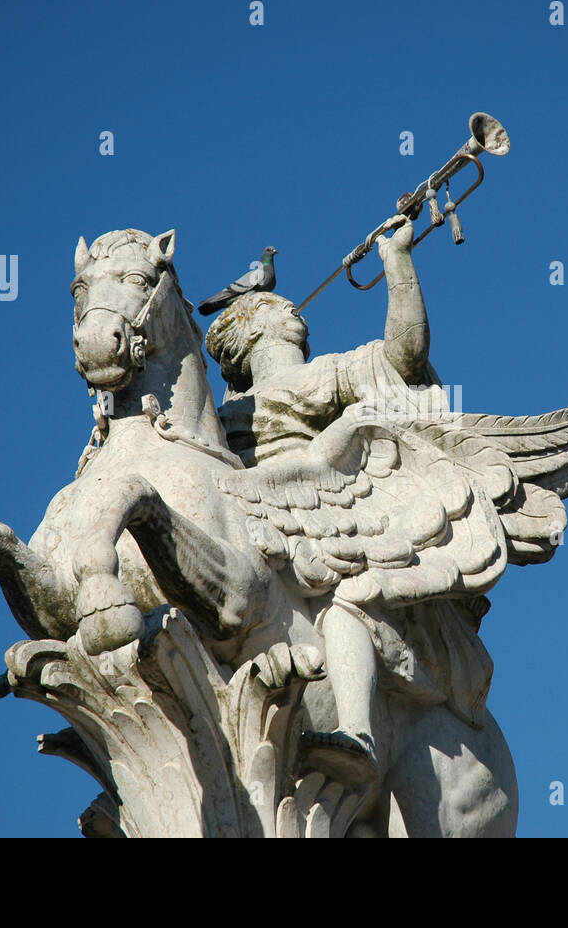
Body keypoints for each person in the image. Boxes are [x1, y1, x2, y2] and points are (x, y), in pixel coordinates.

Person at [204, 220, 484, 784]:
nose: (294, 312)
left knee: (349, 599)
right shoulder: (215, 421)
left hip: (326, 516)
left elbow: (405, 353)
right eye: (277, 308)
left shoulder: (328, 374)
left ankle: (357, 729)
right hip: (256, 525)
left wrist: (396, 260)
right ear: (248, 331)